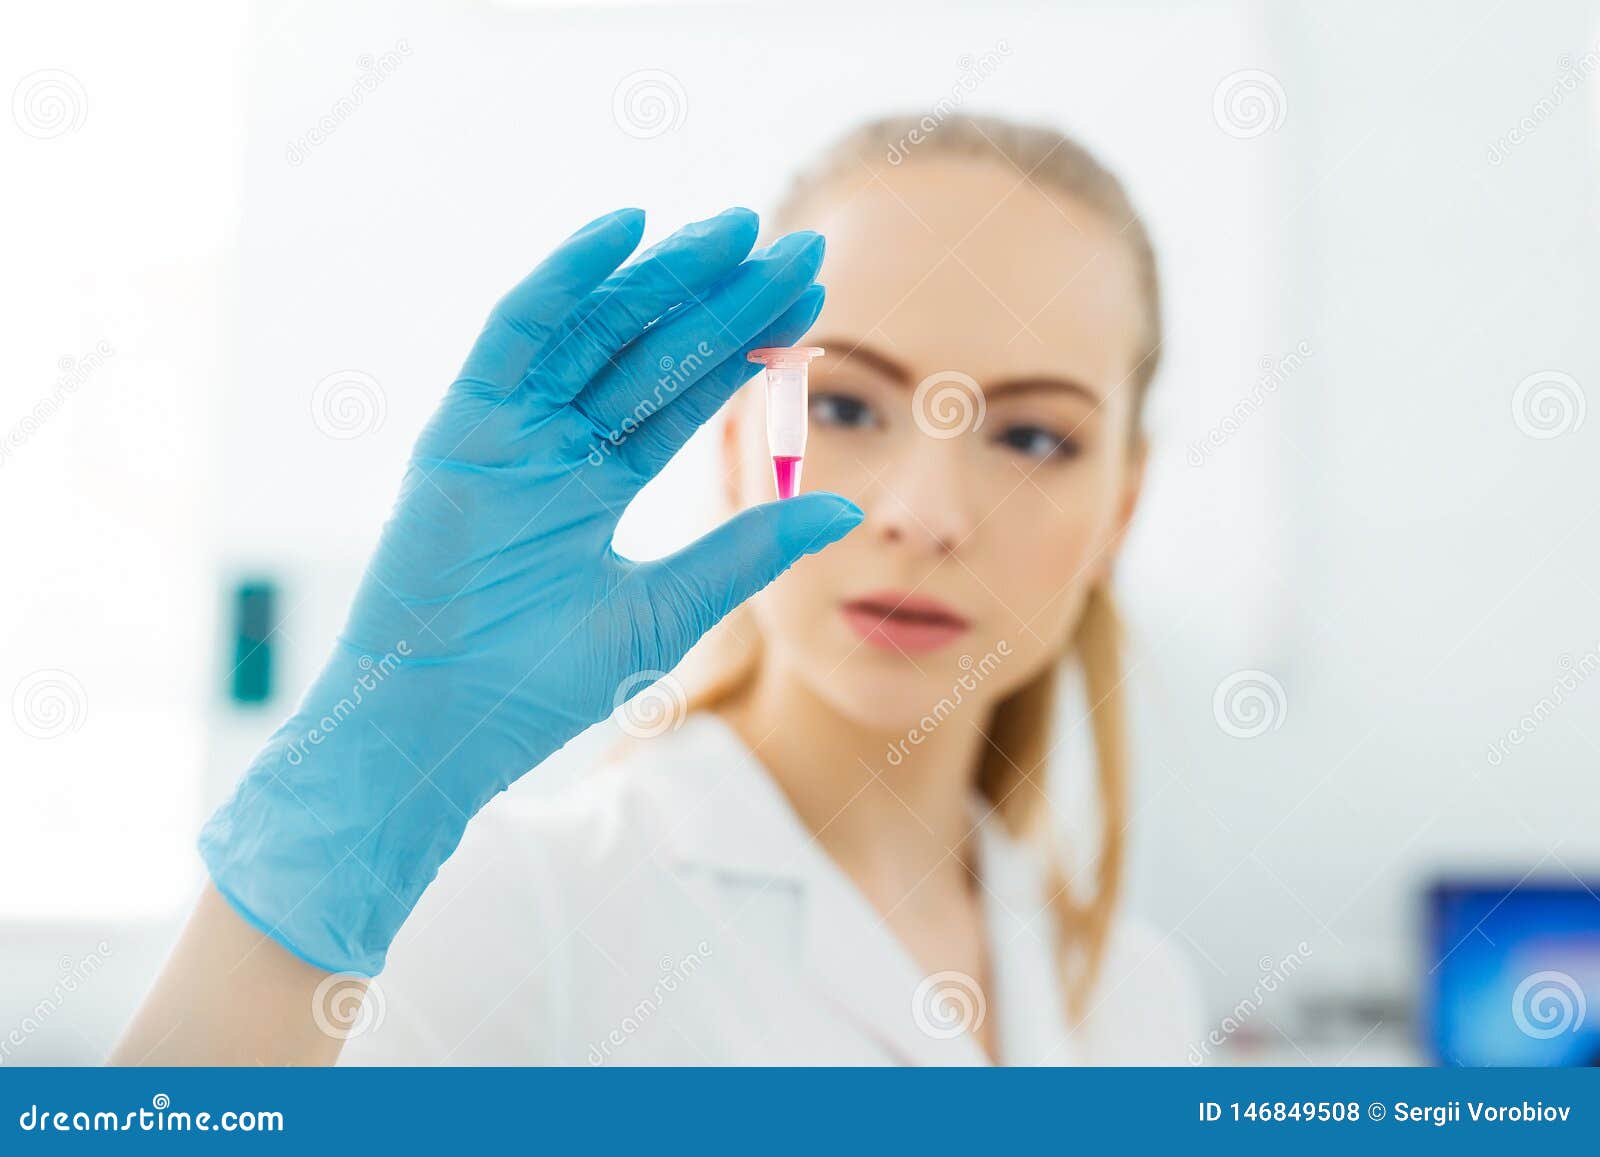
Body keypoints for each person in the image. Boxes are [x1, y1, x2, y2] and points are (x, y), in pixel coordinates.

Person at [115, 114, 1201, 1067]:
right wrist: (345, 816)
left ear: (1121, 504)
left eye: (1028, 433)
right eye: (849, 407)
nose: (925, 511)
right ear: (735, 446)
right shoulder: (521, 910)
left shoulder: (1137, 995)